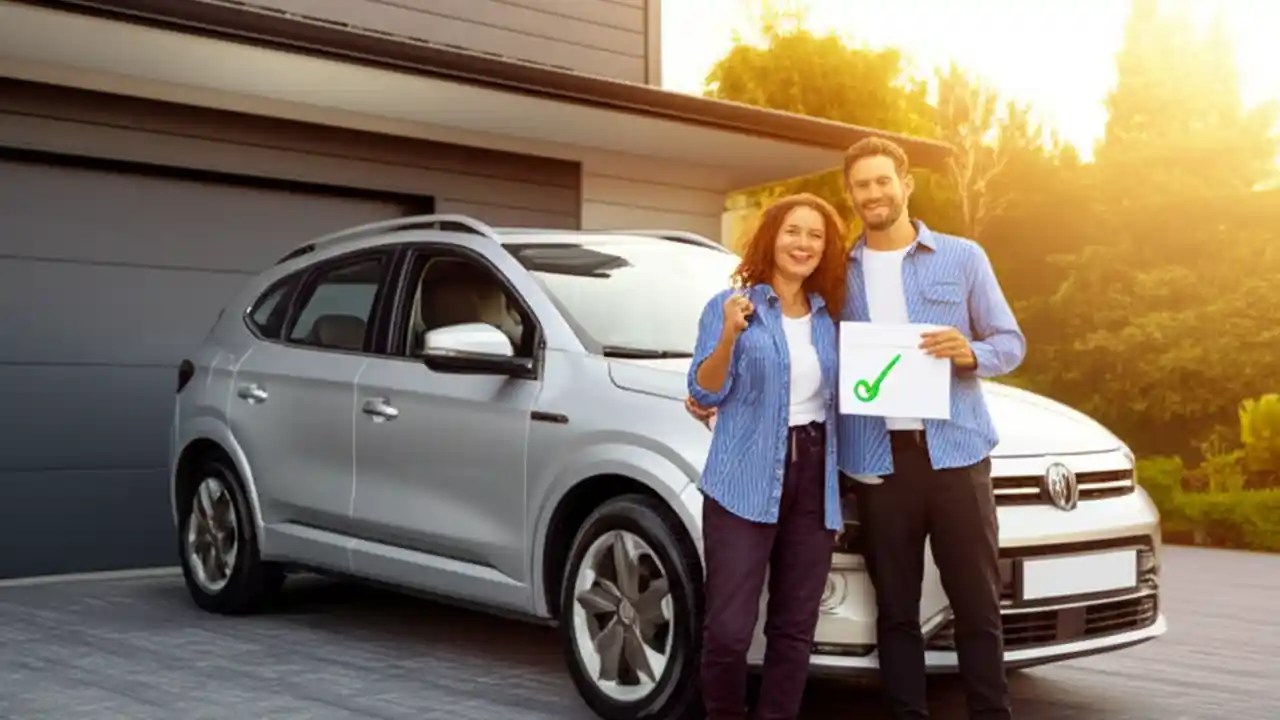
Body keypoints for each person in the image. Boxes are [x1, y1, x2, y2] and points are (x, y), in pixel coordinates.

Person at [687, 138, 1026, 720]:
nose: (873, 194)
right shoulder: (837, 275)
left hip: (956, 456)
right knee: (895, 611)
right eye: (861, 186)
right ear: (852, 195)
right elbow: (762, 358)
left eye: (882, 182)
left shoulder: (962, 258)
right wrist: (720, 380)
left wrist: (971, 353)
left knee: (978, 607)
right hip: (877, 463)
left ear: (905, 183)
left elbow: (1011, 344)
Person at [690, 193, 847, 720]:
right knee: (730, 630)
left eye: (815, 236)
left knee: (794, 628)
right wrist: (730, 336)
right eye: (793, 231)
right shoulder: (730, 306)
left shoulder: (832, 318)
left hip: (814, 475)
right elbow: (704, 392)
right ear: (771, 237)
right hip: (743, 478)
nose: (803, 244)